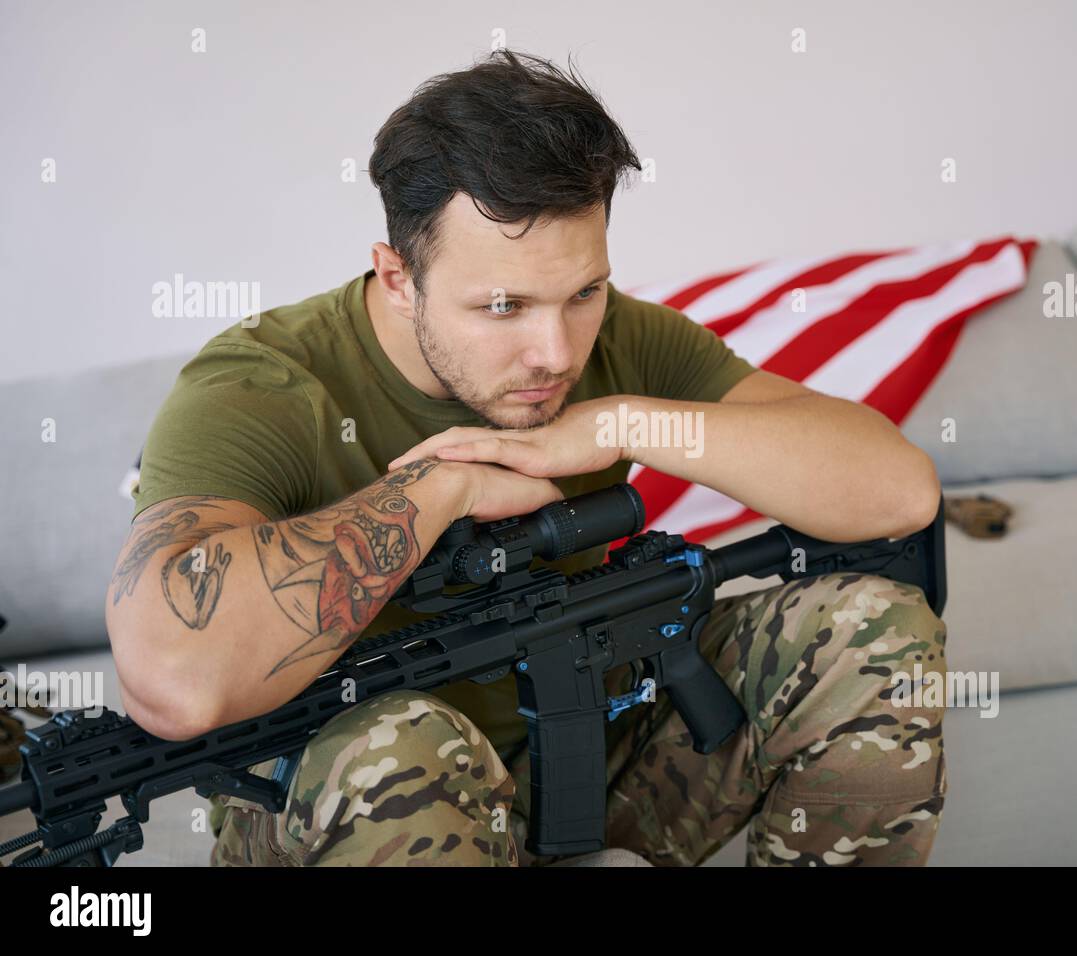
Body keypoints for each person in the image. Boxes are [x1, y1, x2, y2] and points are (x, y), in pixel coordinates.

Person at [107, 49, 947, 867]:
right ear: (397, 276)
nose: (554, 352)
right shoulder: (262, 388)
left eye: (583, 292)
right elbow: (171, 679)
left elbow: (896, 491)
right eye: (502, 306)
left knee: (869, 631)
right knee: (404, 747)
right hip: (358, 798)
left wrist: (619, 424)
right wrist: (438, 492)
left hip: (587, 750)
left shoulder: (619, 339)